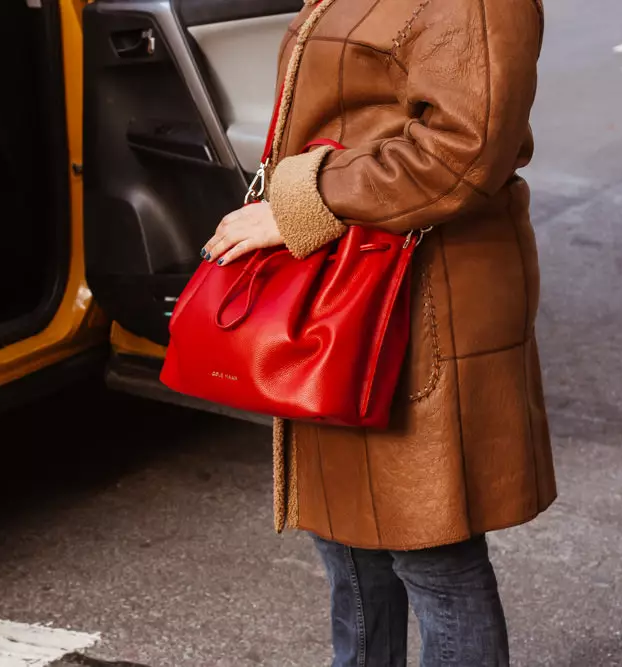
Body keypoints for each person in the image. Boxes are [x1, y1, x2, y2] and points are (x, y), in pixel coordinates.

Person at [201, 1, 555, 665]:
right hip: (347, 287)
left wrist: (301, 202)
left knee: (429, 545)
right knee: (349, 541)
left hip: (422, 297)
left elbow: (461, 152)